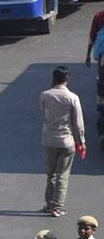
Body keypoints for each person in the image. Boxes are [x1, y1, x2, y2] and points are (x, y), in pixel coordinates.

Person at [39, 66, 84, 218]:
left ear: (53, 79)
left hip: (49, 140)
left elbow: (43, 111)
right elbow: (78, 123)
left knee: (50, 174)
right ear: (67, 79)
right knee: (62, 175)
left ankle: (49, 204)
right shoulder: (73, 98)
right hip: (66, 141)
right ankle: (57, 208)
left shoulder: (45, 95)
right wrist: (81, 141)